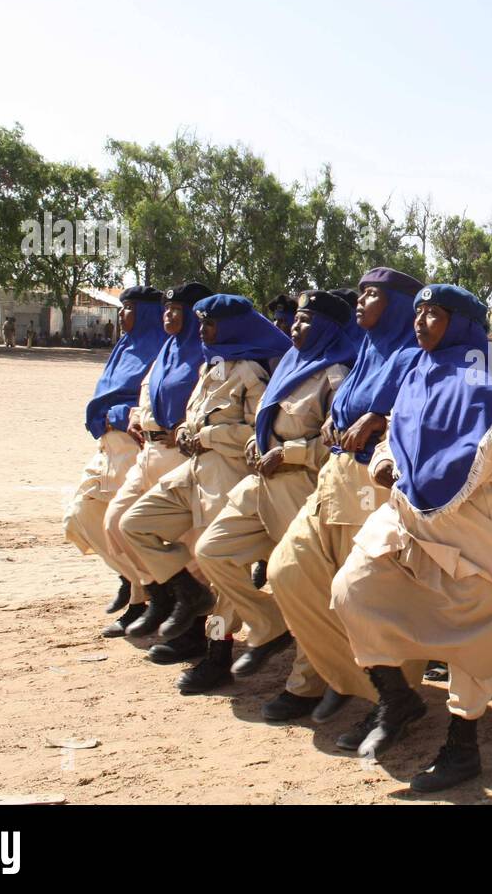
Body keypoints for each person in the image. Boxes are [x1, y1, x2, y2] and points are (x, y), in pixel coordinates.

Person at [331, 284, 492, 792]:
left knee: (471, 642)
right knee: (352, 589)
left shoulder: (483, 379)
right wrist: (389, 462)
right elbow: (397, 427)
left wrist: (437, 484)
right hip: (407, 519)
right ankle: (397, 697)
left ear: (459, 322)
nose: (421, 322)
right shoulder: (415, 367)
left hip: (470, 530)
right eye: (418, 312)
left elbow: (486, 448)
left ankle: (463, 747)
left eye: (434, 314)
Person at [264, 267, 424, 726]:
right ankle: (343, 677)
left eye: (371, 295)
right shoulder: (367, 351)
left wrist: (379, 418)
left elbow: (424, 413)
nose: (360, 300)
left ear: (395, 305)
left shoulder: (415, 355)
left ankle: (392, 698)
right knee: (289, 572)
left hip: (372, 485)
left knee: (369, 596)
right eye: (360, 293)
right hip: (332, 478)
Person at [120, 293, 291, 694]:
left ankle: (217, 653)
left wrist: (209, 434)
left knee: (220, 570)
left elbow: (261, 431)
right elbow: (195, 416)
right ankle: (184, 593)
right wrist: (185, 430)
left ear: (229, 327)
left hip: (228, 477)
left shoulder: (253, 372)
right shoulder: (213, 366)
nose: (202, 331)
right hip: (195, 470)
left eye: (209, 324)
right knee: (135, 523)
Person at [191, 291, 356, 694]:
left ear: (328, 328)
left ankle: (307, 683)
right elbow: (262, 421)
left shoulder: (338, 375)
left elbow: (339, 446)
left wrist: (290, 451)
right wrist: (257, 442)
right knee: (211, 551)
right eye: (295, 320)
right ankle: (269, 623)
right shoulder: (288, 367)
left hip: (301, 489)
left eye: (305, 322)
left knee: (303, 585)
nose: (294, 328)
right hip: (259, 485)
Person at [101, 282, 213, 644]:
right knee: (117, 525)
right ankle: (162, 595)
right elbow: (147, 394)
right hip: (146, 454)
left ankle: (192, 631)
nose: (168, 315)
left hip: (181, 458)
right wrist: (137, 415)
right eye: (166, 308)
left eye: (177, 310)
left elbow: (213, 407)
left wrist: (185, 427)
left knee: (189, 547)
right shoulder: (167, 349)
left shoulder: (207, 355)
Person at [63, 286, 167, 617]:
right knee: (81, 513)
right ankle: (131, 577)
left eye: (129, 308)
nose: (122, 315)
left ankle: (141, 599)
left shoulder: (161, 348)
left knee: (123, 524)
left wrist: (119, 416)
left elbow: (151, 403)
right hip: (107, 445)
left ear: (147, 312)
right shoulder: (125, 345)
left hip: (133, 447)